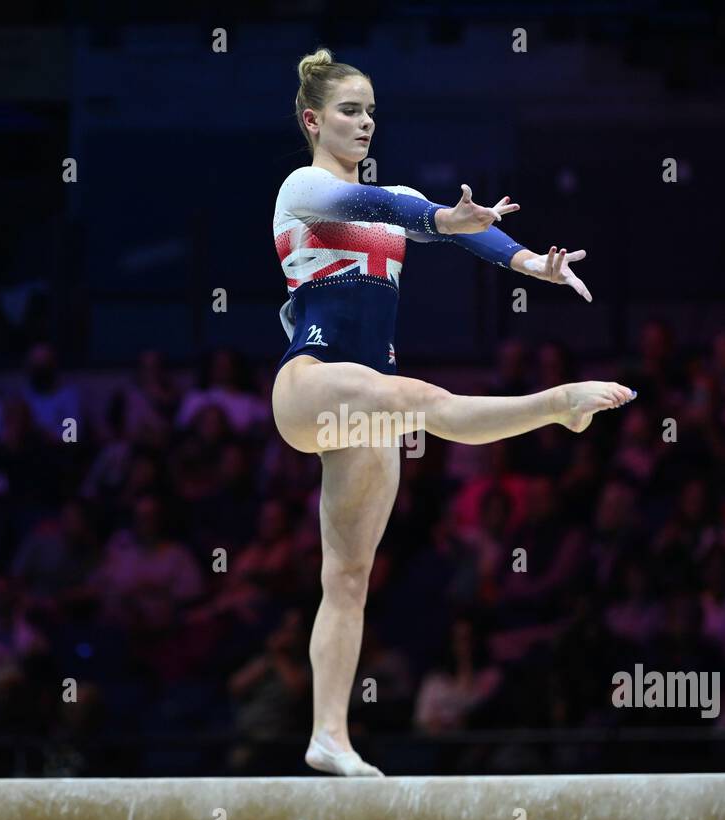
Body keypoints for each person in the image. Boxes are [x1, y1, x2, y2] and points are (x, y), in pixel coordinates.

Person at [270, 48, 636, 775]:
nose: (365, 121)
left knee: (347, 575)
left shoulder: (390, 197)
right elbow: (399, 210)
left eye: (371, 109)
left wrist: (534, 264)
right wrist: (441, 215)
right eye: (349, 110)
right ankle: (556, 407)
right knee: (421, 401)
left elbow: (457, 230)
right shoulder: (305, 187)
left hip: (366, 401)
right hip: (311, 385)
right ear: (314, 120)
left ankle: (329, 737)